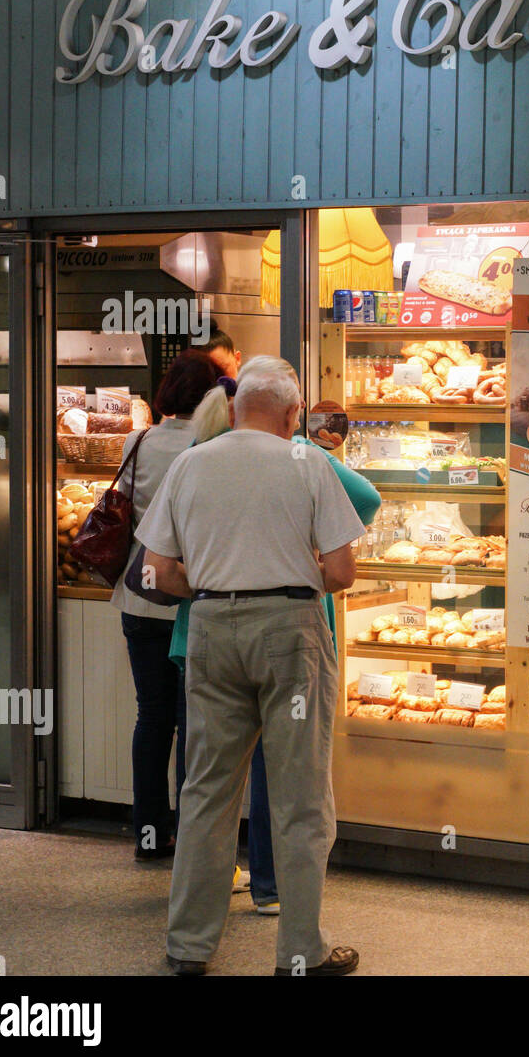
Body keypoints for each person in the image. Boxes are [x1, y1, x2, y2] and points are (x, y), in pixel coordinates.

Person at [138, 358, 366, 976]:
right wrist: (288, 575)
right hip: (290, 632)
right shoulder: (309, 463)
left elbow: (155, 571)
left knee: (206, 792)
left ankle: (188, 948)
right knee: (299, 799)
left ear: (235, 408)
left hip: (211, 630)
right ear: (293, 414)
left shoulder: (191, 462)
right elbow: (343, 573)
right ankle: (300, 951)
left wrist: (214, 585)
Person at [113, 351, 222, 862]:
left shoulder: (139, 439)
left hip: (139, 595)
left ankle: (149, 834)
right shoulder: (213, 446)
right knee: (192, 720)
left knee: (151, 716)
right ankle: (191, 837)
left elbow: (131, 503)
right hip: (190, 598)